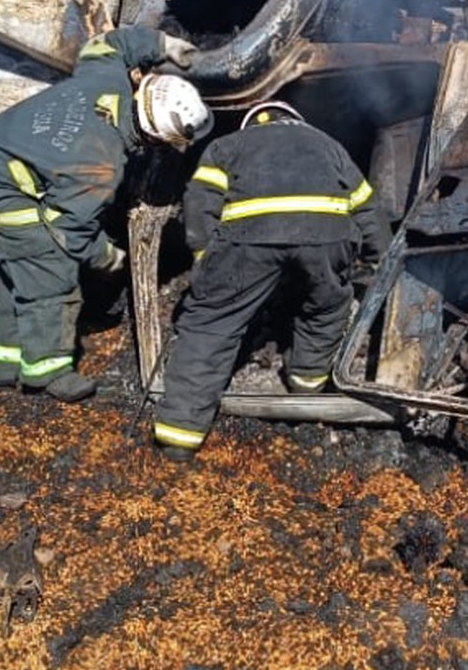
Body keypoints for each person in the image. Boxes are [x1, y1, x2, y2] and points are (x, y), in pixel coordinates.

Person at [0, 26, 213, 403]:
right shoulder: (100, 164)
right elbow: (68, 230)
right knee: (50, 275)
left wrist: (162, 45)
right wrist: (109, 257)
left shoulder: (109, 82)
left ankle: (5, 365)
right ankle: (48, 373)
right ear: (156, 135)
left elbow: (106, 45)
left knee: (17, 270)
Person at [153, 100, 388, 460]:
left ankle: (179, 435)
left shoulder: (227, 146)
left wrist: (204, 256)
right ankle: (305, 384)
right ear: (296, 121)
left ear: (252, 124)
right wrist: (380, 259)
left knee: (212, 323)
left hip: (250, 237)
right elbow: (366, 206)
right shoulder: (328, 144)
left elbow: (199, 201)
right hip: (325, 237)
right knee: (325, 307)